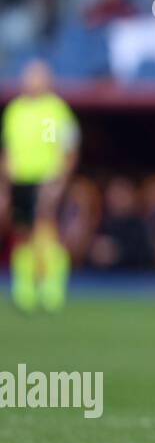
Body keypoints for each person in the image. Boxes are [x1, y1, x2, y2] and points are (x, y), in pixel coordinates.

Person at [1, 60, 79, 313]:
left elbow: (68, 149)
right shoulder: (15, 110)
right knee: (22, 232)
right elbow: (7, 150)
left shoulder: (56, 109)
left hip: (46, 180)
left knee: (46, 229)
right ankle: (24, 287)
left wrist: (58, 180)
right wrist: (5, 184)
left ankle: (51, 285)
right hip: (20, 180)